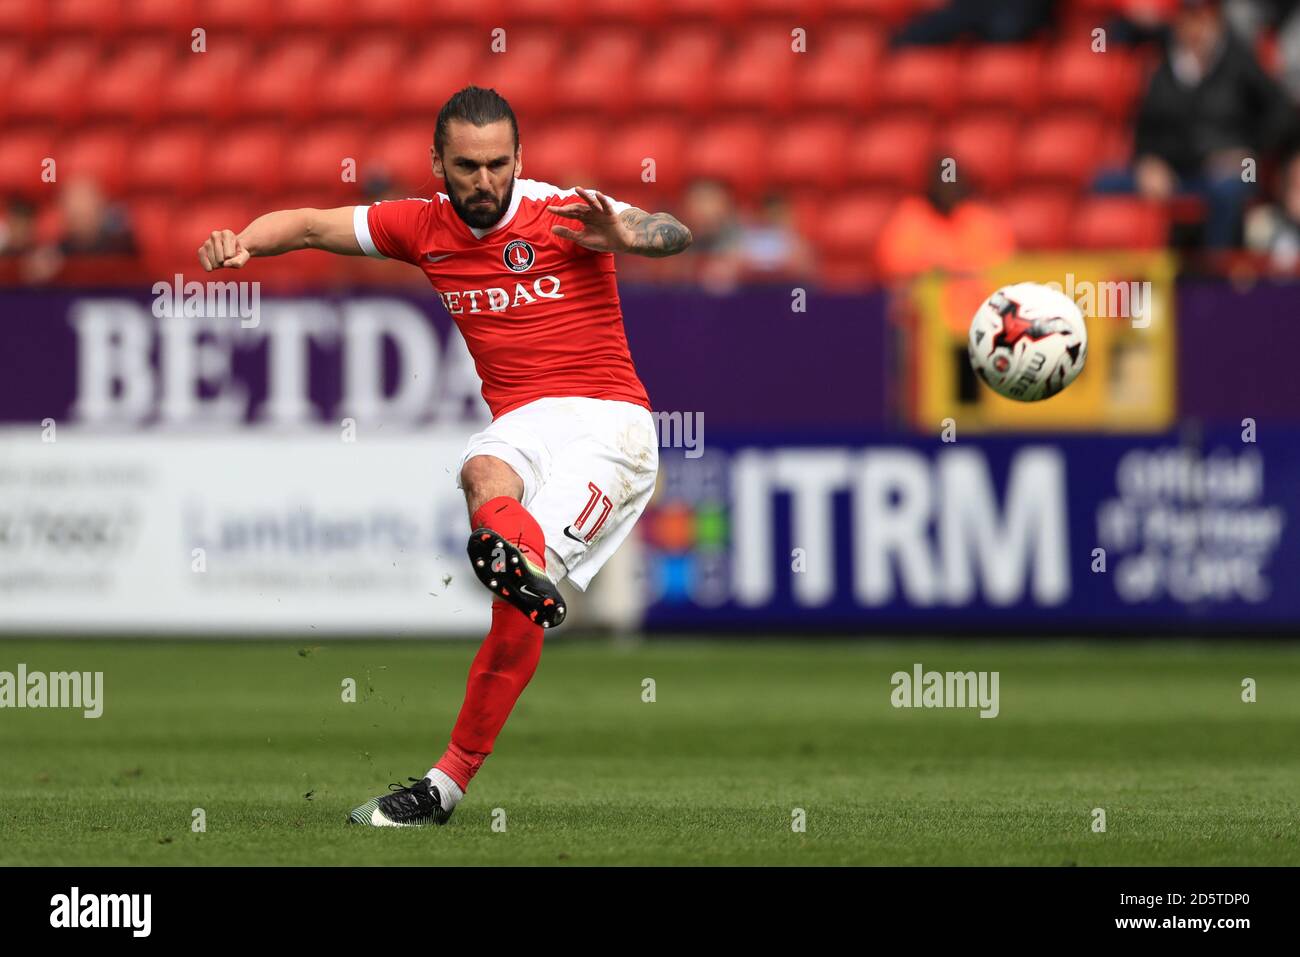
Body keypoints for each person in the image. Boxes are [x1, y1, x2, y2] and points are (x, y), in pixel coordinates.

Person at [196, 86, 693, 828]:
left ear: (519, 159)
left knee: (511, 602)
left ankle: (447, 778)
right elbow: (305, 224)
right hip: (523, 423)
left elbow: (672, 230)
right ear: (439, 163)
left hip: (608, 424)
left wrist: (629, 237)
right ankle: (517, 563)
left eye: (498, 164)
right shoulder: (420, 226)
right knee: (480, 472)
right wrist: (241, 241)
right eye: (468, 166)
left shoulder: (565, 212)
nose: (485, 181)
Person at [1095, 0, 1296, 248]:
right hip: (1172, 172)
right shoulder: (1162, 62)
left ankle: (1214, 275)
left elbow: (1282, 112)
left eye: (1202, 17)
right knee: (1103, 184)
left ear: (1216, 21)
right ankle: (1126, 275)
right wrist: (1147, 161)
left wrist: (1248, 152)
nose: (1194, 27)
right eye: (1187, 18)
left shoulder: (1240, 61)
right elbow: (1145, 124)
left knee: (1229, 190)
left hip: (1229, 170)